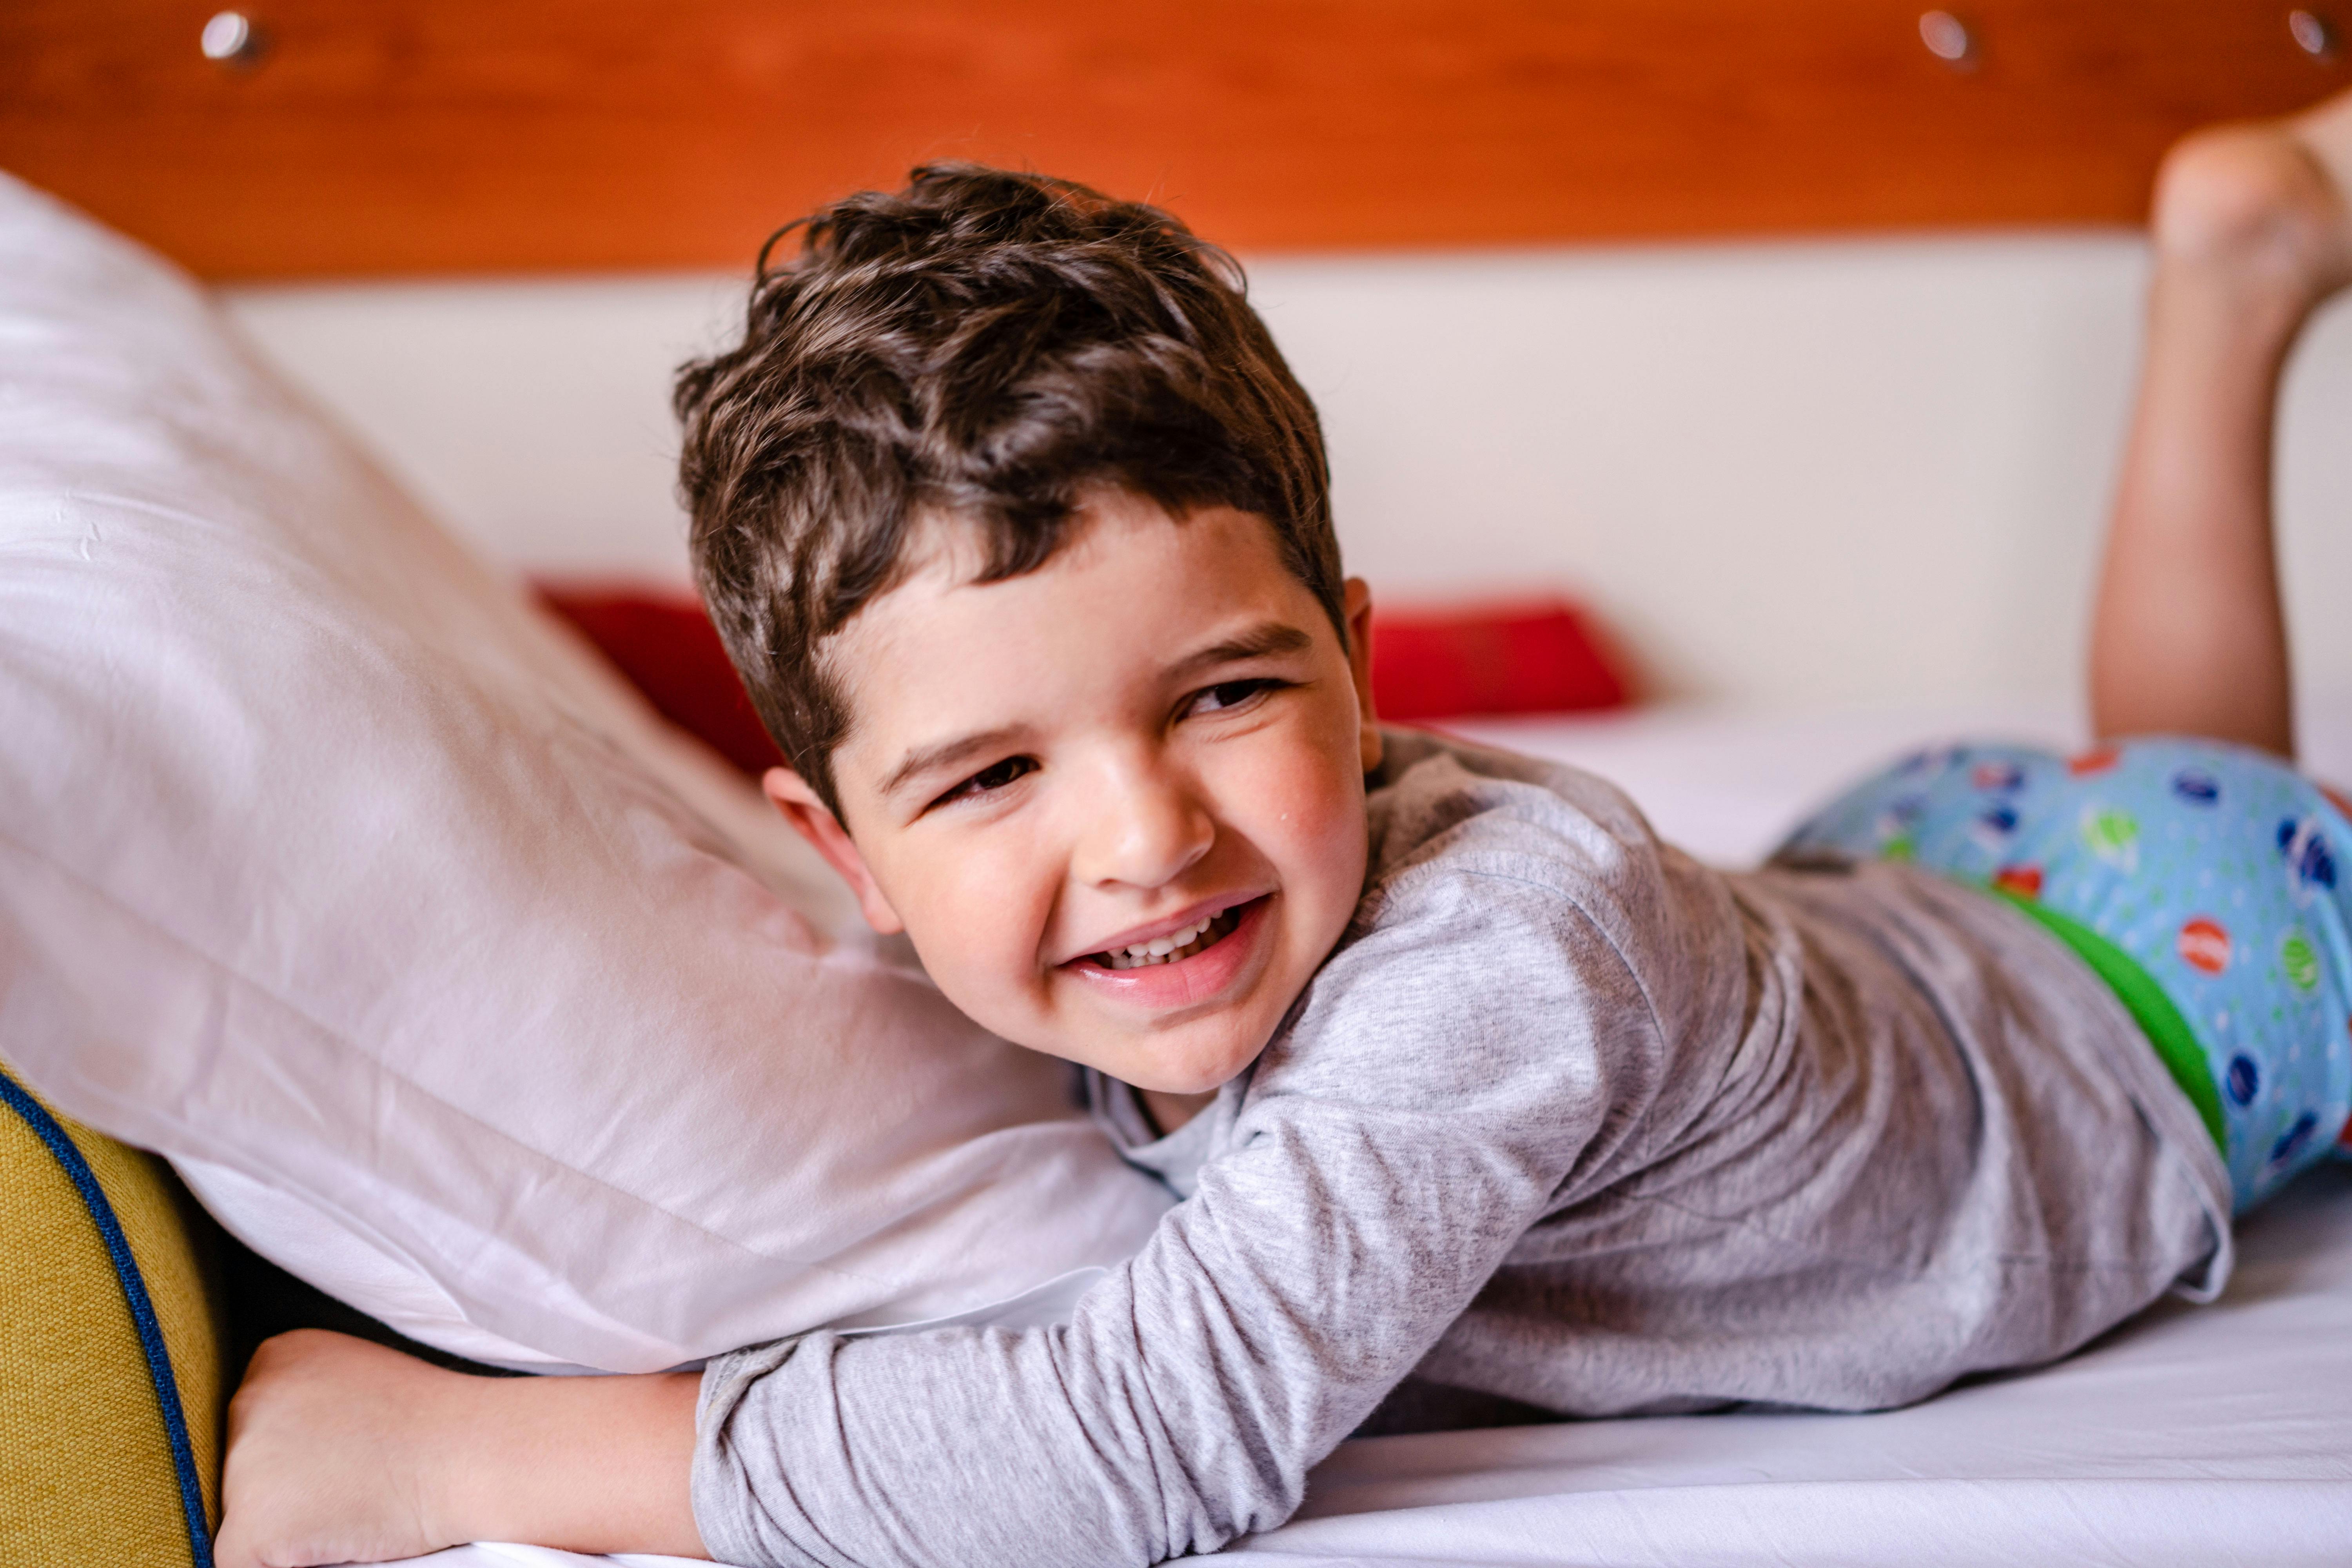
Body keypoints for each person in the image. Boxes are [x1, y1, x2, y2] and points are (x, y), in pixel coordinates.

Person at [214, 88, 2352, 1568]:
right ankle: (2234, 286)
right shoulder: (1078, 926)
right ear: (844, 849)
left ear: (1357, 659)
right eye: (990, 779)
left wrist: (459, 1449)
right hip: (1898, 891)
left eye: (1226, 694)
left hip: (2142, 1007)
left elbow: (1150, 1434)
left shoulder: (1503, 967)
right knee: (2146, 776)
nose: (1147, 837)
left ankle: (2227, 298)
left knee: (2231, 808)